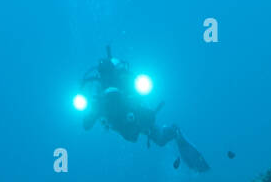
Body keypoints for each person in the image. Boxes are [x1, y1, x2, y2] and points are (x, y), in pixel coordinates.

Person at [73, 47, 209, 171]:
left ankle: (175, 132)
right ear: (100, 75)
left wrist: (136, 105)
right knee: (146, 137)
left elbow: (142, 99)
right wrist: (93, 112)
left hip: (134, 117)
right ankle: (173, 133)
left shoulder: (125, 80)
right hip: (120, 125)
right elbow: (87, 124)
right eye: (104, 74)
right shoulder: (98, 92)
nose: (107, 78)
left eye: (109, 73)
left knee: (160, 139)